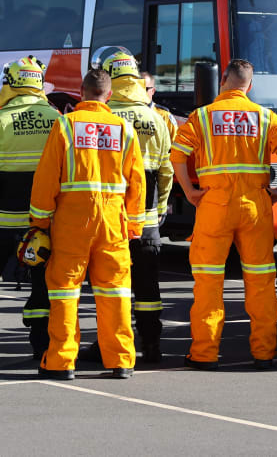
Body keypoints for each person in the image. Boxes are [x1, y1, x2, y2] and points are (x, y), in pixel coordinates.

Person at [171, 59, 277, 370]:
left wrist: (189, 191)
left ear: (223, 80)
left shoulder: (202, 116)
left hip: (214, 204)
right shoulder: (265, 116)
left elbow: (177, 154)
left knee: (209, 282)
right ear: (250, 85)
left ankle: (204, 354)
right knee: (260, 282)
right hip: (255, 206)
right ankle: (264, 352)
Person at [31, 69, 145, 380]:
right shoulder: (124, 129)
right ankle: (122, 360)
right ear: (109, 95)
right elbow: (138, 182)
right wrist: (134, 226)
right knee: (116, 292)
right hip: (113, 222)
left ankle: (60, 361)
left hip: (72, 221)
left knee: (65, 292)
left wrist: (39, 222)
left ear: (81, 93)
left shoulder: (65, 126)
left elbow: (46, 178)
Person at [0, 56, 59, 361]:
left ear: (11, 82)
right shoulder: (56, 118)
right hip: (41, 223)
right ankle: (41, 345)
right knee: (42, 283)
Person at [99, 50, 173, 363]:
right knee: (148, 284)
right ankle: (152, 344)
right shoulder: (156, 119)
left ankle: (111, 347)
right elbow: (166, 171)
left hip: (110, 218)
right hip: (146, 219)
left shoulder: (103, 117)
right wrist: (159, 209)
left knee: (111, 285)